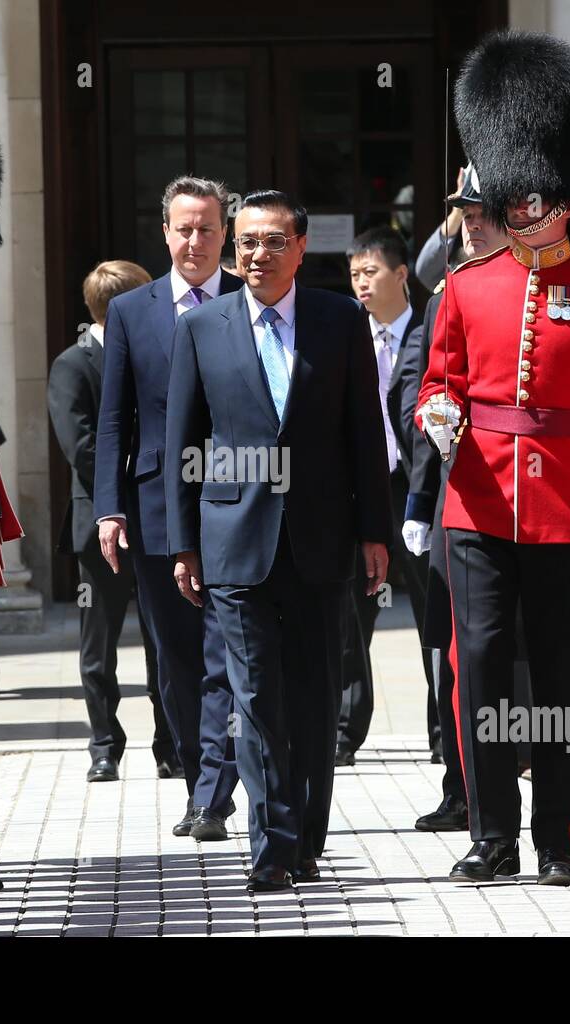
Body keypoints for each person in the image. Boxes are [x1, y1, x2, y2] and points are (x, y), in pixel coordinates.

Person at [418, 31, 570, 887]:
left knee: (560, 675)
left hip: (567, 505)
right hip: (478, 505)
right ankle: (492, 835)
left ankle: (558, 840)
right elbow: (438, 380)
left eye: (536, 192)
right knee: (477, 671)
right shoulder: (466, 286)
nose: (524, 206)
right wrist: (438, 414)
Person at [165, 189, 391, 890]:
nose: (257, 255)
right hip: (236, 541)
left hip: (322, 540)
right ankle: (272, 846)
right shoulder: (205, 328)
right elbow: (184, 441)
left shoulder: (339, 320)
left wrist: (374, 533)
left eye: (271, 242)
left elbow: (363, 433)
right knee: (255, 696)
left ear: (300, 247)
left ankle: (308, 839)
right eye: (246, 244)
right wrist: (184, 543)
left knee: (314, 696)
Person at [95, 176, 241, 839]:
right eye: (184, 228)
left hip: (240, 499)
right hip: (156, 506)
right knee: (175, 660)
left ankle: (216, 789)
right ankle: (196, 776)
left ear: (225, 233)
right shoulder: (132, 311)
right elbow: (113, 421)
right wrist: (109, 508)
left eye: (208, 228)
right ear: (165, 232)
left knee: (229, 653)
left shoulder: (250, 299)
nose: (195, 240)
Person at [399, 164, 505, 830]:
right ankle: (463, 785)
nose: (470, 222)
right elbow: (426, 398)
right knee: (455, 657)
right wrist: (417, 503)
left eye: (481, 210)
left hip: (538, 504)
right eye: (463, 212)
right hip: (458, 504)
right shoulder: (448, 293)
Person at [49, 260, 178, 781]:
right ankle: (104, 744)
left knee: (162, 638)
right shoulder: (73, 364)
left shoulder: (155, 353)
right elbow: (80, 446)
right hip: (100, 520)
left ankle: (168, 741)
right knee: (98, 645)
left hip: (154, 519)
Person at [336, 226, 430, 765]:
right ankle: (345, 731)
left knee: (431, 611)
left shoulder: (429, 329)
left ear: (400, 275)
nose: (361, 284)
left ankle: (445, 736)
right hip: (362, 488)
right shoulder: (347, 334)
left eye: (370, 271)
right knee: (353, 612)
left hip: (414, 486)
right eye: (354, 275)